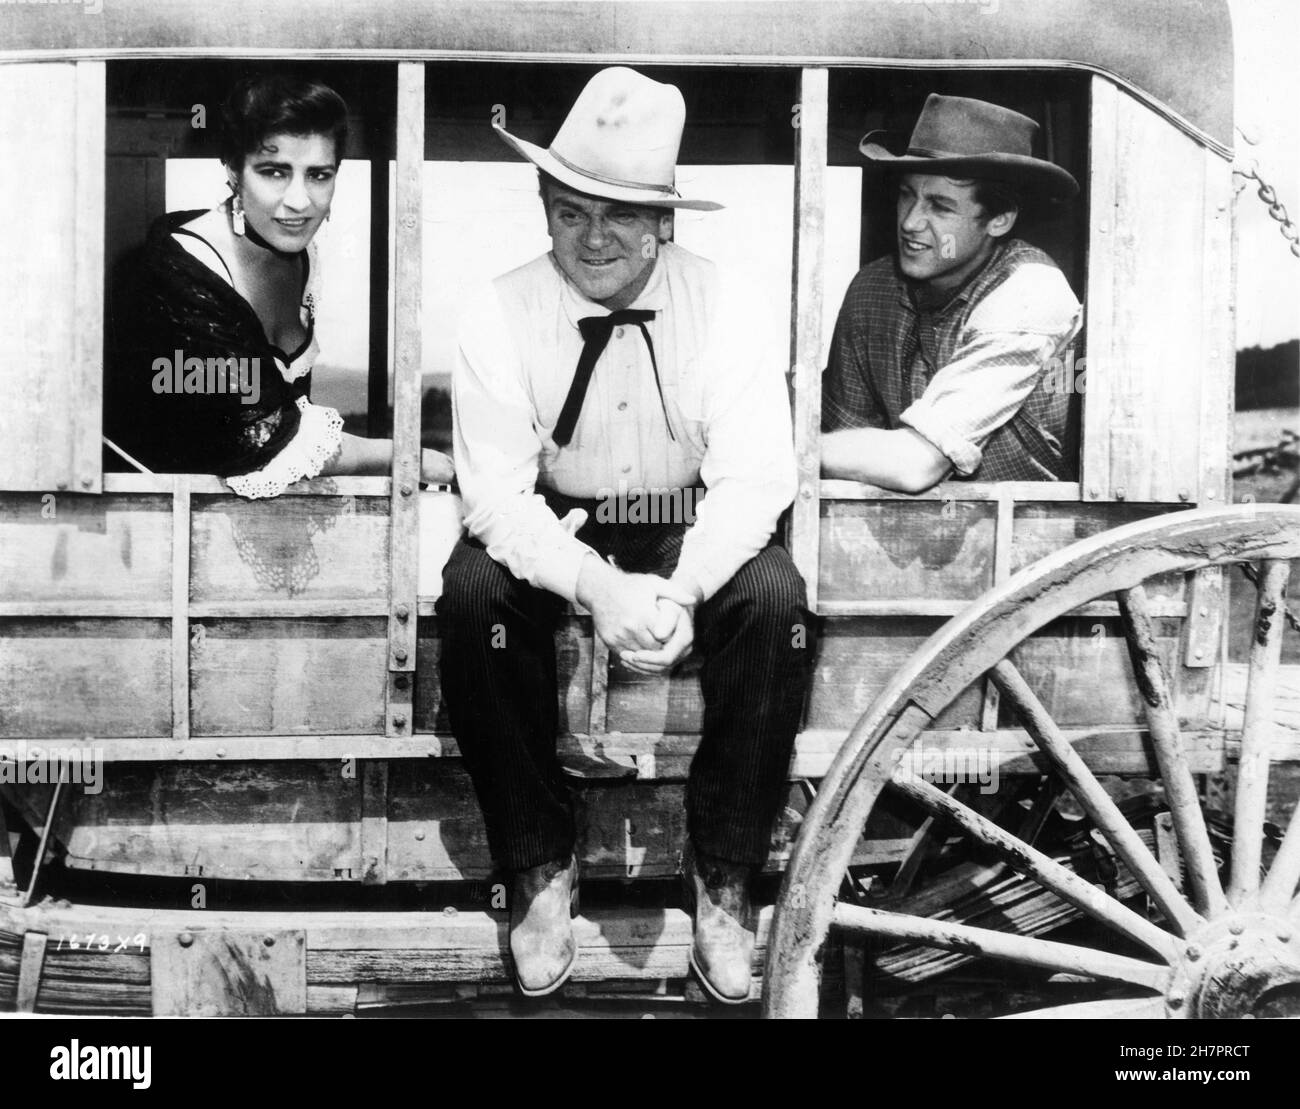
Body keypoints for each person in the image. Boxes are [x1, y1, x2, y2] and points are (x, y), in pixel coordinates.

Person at [439, 67, 814, 1002]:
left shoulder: (728, 305)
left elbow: (757, 479)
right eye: (570, 211)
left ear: (664, 222)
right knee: (473, 593)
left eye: (619, 216)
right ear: (543, 205)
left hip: (691, 524)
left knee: (776, 598)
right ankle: (537, 864)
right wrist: (596, 586)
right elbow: (494, 498)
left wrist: (683, 588)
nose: (593, 237)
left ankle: (724, 873)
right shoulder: (495, 310)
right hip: (557, 525)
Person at [110, 74, 453, 496]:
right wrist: (404, 455)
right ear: (233, 171)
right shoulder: (178, 275)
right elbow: (264, 440)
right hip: (146, 520)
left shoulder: (303, 257)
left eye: (319, 175)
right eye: (274, 172)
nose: (299, 200)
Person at [821, 94, 1083, 491]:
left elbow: (915, 465)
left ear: (999, 220)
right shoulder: (872, 289)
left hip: (1021, 539)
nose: (910, 222)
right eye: (907, 194)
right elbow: (844, 442)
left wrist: (758, 450)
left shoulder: (1030, 292)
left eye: (940, 207)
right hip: (882, 530)